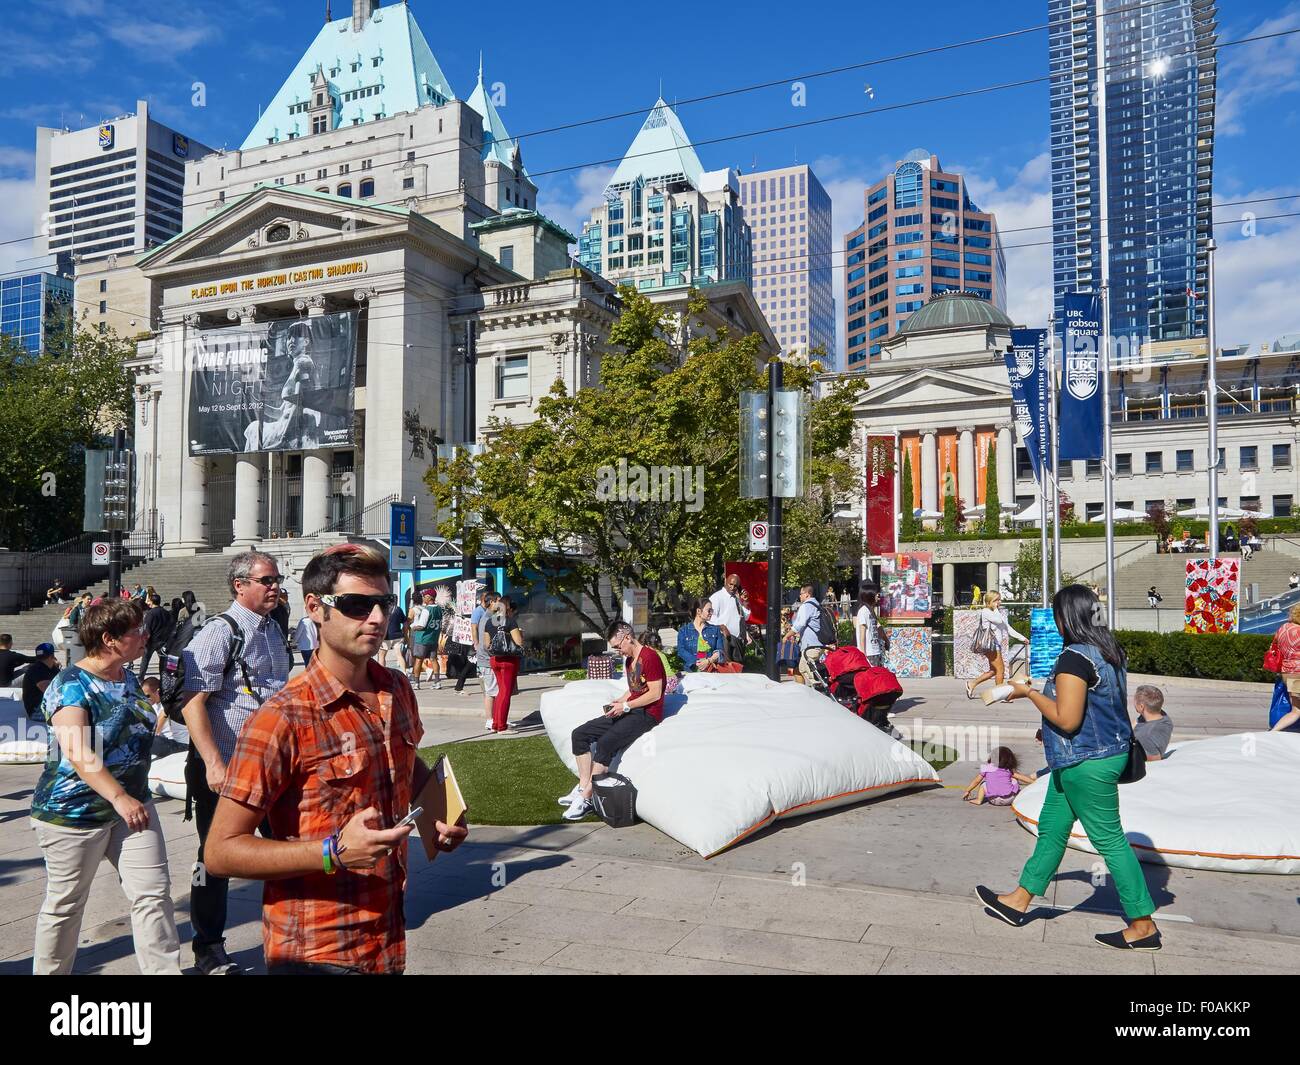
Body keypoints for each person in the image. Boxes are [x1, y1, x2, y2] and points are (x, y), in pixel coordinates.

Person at [203, 544, 468, 975]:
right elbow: (221, 852)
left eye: (384, 602)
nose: (378, 618)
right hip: (316, 951)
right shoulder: (282, 718)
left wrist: (439, 813)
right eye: (357, 605)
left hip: (387, 936)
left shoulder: (396, 689)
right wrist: (333, 852)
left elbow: (404, 761)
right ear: (315, 608)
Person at [976, 584, 1162, 951]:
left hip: (1086, 761)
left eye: (1058, 614)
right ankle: (1018, 901)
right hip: (1097, 754)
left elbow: (1067, 718)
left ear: (1067, 617)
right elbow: (1092, 709)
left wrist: (1027, 692)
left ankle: (1142, 923)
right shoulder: (1110, 652)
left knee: (1109, 840)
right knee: (1052, 828)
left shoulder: (1074, 658)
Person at [28, 598, 182, 975]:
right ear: (110, 639)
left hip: (131, 806)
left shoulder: (127, 676)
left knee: (153, 895)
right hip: (74, 813)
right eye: (136, 631)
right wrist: (118, 796)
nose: (145, 635)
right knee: (65, 905)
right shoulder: (71, 685)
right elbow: (79, 752)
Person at [178, 550, 291, 975]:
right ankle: (208, 946)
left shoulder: (273, 628)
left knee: (285, 847)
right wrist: (213, 764)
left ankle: (290, 931)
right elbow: (193, 703)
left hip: (269, 763)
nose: (275, 586)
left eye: (276, 579)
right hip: (224, 767)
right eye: (266, 580)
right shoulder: (218, 632)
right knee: (214, 859)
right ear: (239, 585)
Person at [560, 621, 666, 821]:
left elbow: (655, 693)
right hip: (631, 708)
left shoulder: (650, 657)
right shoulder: (629, 661)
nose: (618, 651)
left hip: (647, 714)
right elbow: (635, 689)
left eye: (618, 646)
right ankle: (582, 786)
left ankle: (587, 798)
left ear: (627, 637)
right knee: (580, 734)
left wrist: (625, 706)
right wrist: (620, 701)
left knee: (606, 743)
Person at [966, 592, 1029, 698]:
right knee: (1000, 670)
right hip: (991, 645)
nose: (999, 602)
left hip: (995, 645)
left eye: (999, 600)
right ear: (989, 601)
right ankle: (1001, 695)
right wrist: (995, 609)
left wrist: (1022, 638)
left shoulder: (996, 613)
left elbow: (1007, 628)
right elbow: (999, 620)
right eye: (996, 600)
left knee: (993, 671)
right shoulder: (986, 611)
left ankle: (971, 684)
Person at [487, 596, 524, 732]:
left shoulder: (490, 623)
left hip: (494, 659)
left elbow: (487, 644)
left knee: (500, 692)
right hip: (508, 660)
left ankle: (495, 723)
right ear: (507, 607)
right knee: (506, 693)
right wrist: (520, 634)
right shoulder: (510, 622)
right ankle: (501, 726)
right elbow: (518, 642)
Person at [1267, 604, 1300, 733]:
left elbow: (1274, 646)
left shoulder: (1283, 628)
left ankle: (1274, 731)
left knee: (1296, 710)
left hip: (1287, 673)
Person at [963, 747, 1036, 806]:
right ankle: (1018, 797)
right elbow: (1022, 778)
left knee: (984, 784)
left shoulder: (986, 768)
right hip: (1010, 799)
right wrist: (1035, 782)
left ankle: (979, 800)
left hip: (993, 800)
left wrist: (968, 790)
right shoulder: (1008, 769)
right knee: (1014, 780)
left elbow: (976, 781)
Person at [791, 585, 833, 685]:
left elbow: (800, 624)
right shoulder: (816, 604)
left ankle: (818, 689)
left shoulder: (806, 606)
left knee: (807, 669)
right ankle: (820, 687)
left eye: (801, 594)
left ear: (807, 594)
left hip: (812, 645)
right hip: (818, 643)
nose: (799, 596)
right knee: (803, 667)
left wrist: (786, 636)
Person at [675, 597, 726, 672]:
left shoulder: (715, 630)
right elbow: (681, 651)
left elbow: (720, 650)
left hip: (711, 670)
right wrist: (697, 662)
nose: (711, 613)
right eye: (709, 610)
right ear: (699, 611)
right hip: (692, 671)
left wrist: (708, 661)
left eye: (712, 610)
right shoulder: (683, 631)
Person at [708, 573, 747, 666]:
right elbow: (710, 617)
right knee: (727, 669)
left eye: (736, 586)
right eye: (731, 584)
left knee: (737, 668)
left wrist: (744, 601)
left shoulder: (736, 598)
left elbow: (745, 616)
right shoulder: (717, 597)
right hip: (724, 639)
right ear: (726, 582)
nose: (733, 587)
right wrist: (722, 627)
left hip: (737, 639)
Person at [144, 677, 189, 758]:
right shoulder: (154, 707)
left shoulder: (167, 705)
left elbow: (155, 730)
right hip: (164, 741)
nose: (145, 699)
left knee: (147, 741)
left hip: (177, 744)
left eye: (147, 695)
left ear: (157, 692)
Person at [476, 591, 501, 730]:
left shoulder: (491, 617)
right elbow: (486, 643)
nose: (501, 603)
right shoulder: (488, 618)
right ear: (492, 602)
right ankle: (490, 720)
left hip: (487, 659)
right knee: (491, 691)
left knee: (493, 690)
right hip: (487, 660)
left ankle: (494, 718)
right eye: (499, 601)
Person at [409, 590, 443, 690]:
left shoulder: (426, 610)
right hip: (434, 638)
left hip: (423, 638)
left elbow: (421, 625)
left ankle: (416, 683)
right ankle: (437, 682)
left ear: (429, 597)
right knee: (433, 659)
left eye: (424, 596)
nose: (423, 598)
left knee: (419, 660)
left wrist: (412, 626)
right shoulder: (439, 609)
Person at [1133, 685, 1173, 760]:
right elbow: (1137, 722)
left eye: (1135, 701)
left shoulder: (1144, 735)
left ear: (1141, 707)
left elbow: (1155, 758)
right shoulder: (1164, 717)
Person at [139, 595, 174, 679]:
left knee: (145, 661)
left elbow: (147, 628)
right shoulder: (166, 612)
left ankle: (141, 678)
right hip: (163, 641)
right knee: (163, 661)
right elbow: (171, 626)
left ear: (152, 602)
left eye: (149, 601)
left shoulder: (150, 613)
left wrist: (144, 641)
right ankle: (164, 678)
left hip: (151, 641)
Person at [22, 643, 60, 720]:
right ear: (52, 656)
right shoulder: (37, 670)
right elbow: (50, 692)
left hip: (47, 707)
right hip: (37, 711)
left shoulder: (52, 668)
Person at [855, 583, 887, 667]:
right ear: (869, 595)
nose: (878, 595)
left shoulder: (870, 610)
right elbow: (862, 635)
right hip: (868, 653)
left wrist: (886, 640)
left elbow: (878, 626)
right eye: (876, 593)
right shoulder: (863, 611)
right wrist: (863, 655)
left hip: (875, 651)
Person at [377, 594, 408, 669]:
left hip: (386, 637)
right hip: (398, 636)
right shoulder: (398, 609)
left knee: (382, 656)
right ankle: (404, 672)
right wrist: (405, 634)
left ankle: (382, 674)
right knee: (399, 655)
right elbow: (405, 623)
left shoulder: (383, 610)